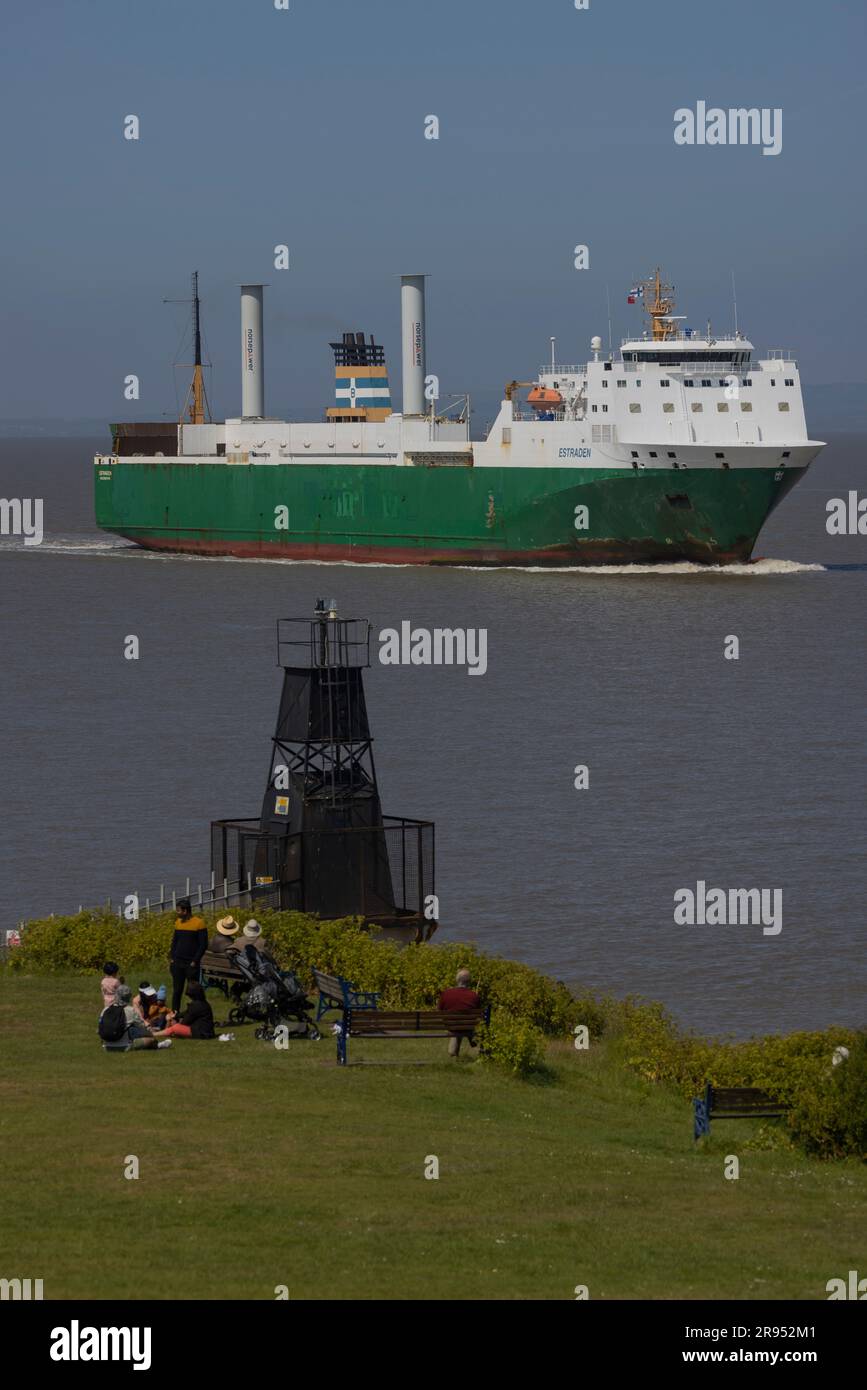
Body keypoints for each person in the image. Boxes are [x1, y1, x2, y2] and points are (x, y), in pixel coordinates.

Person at [100, 984, 171, 1051]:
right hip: (124, 1046)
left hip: (106, 1046)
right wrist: (150, 1033)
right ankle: (158, 1045)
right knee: (151, 1040)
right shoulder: (130, 1010)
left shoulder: (105, 1010)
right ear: (129, 997)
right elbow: (141, 1027)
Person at [169, 898, 208, 1013]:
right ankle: (175, 1013)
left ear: (185, 911)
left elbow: (203, 945)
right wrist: (172, 958)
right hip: (177, 962)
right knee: (177, 990)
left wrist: (195, 961)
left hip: (191, 963)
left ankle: (197, 1011)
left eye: (179, 910)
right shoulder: (178, 923)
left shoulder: (199, 923)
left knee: (194, 990)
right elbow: (174, 941)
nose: (177, 913)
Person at [437, 969, 482, 1058]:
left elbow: (439, 1010)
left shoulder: (446, 994)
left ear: (457, 980)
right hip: (468, 1026)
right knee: (468, 1025)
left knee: (457, 1026)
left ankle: (453, 1053)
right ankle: (476, 1048)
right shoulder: (474, 996)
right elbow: (478, 1013)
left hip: (451, 1026)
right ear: (469, 981)